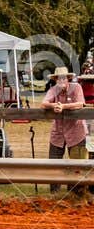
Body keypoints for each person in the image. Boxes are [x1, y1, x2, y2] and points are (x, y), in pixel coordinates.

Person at [41, 65, 87, 193]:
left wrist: (64, 107)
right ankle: (54, 194)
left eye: (63, 78)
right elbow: (44, 103)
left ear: (68, 79)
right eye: (58, 78)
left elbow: (80, 103)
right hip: (58, 132)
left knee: (77, 165)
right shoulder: (53, 89)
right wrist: (54, 105)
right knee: (54, 164)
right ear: (55, 80)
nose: (61, 81)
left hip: (76, 131)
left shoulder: (76, 87)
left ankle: (75, 195)